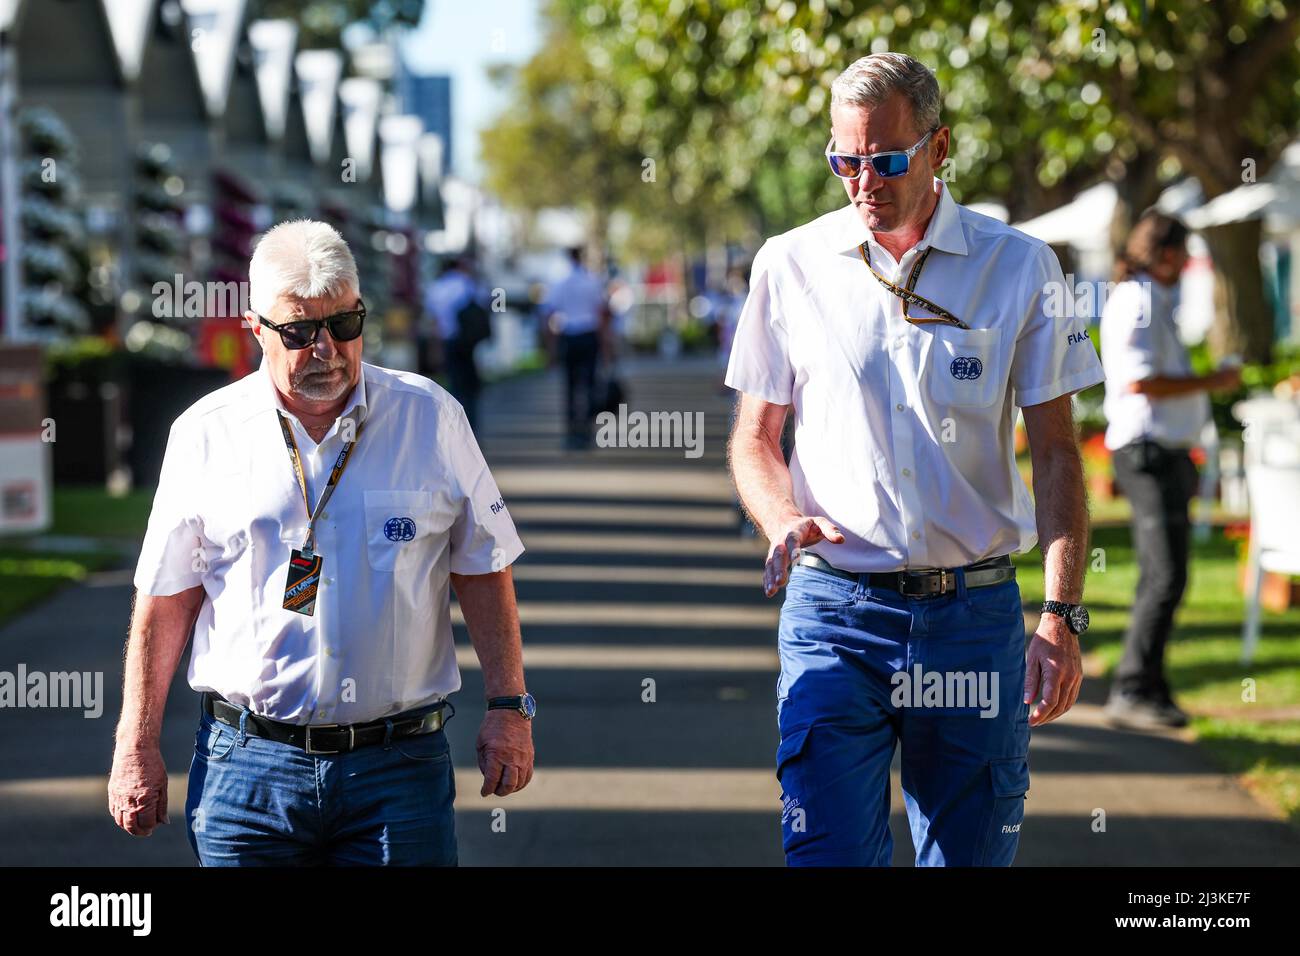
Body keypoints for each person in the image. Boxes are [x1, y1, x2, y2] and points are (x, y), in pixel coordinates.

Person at [725, 52, 1104, 867]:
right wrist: (782, 516)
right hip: (835, 615)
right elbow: (756, 438)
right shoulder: (788, 265)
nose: (865, 182)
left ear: (939, 148)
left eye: (887, 159)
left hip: (972, 620)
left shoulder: (1022, 266)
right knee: (826, 855)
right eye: (845, 160)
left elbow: (1058, 456)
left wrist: (1062, 616)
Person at [108, 220, 537, 866]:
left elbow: (482, 565)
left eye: (344, 324)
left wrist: (509, 704)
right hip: (248, 772)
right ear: (257, 329)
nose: (327, 348)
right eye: (300, 331)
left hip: (398, 770)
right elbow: (166, 598)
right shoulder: (206, 434)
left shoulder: (430, 417)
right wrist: (135, 743)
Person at [1099, 210, 1240, 730]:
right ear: (1164, 253)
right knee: (1165, 575)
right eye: (1182, 254)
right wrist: (1213, 383)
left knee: (1165, 575)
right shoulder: (1137, 301)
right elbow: (1141, 382)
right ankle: (1133, 688)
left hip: (1161, 451)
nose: (1185, 264)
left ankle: (1148, 685)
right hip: (1147, 451)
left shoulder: (1149, 298)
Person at [540, 247, 611, 448]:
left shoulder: (560, 283)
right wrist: (607, 347)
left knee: (570, 387)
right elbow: (602, 314)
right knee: (589, 385)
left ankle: (571, 432)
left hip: (569, 336)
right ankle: (586, 432)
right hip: (589, 336)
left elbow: (548, 315)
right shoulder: (592, 281)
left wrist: (550, 349)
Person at [425, 254, 486, 432]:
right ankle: (472, 427)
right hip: (468, 341)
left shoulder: (436, 288)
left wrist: (434, 348)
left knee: (454, 384)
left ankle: (456, 428)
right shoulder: (466, 284)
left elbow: (434, 321)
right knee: (471, 387)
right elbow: (484, 304)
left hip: (447, 341)